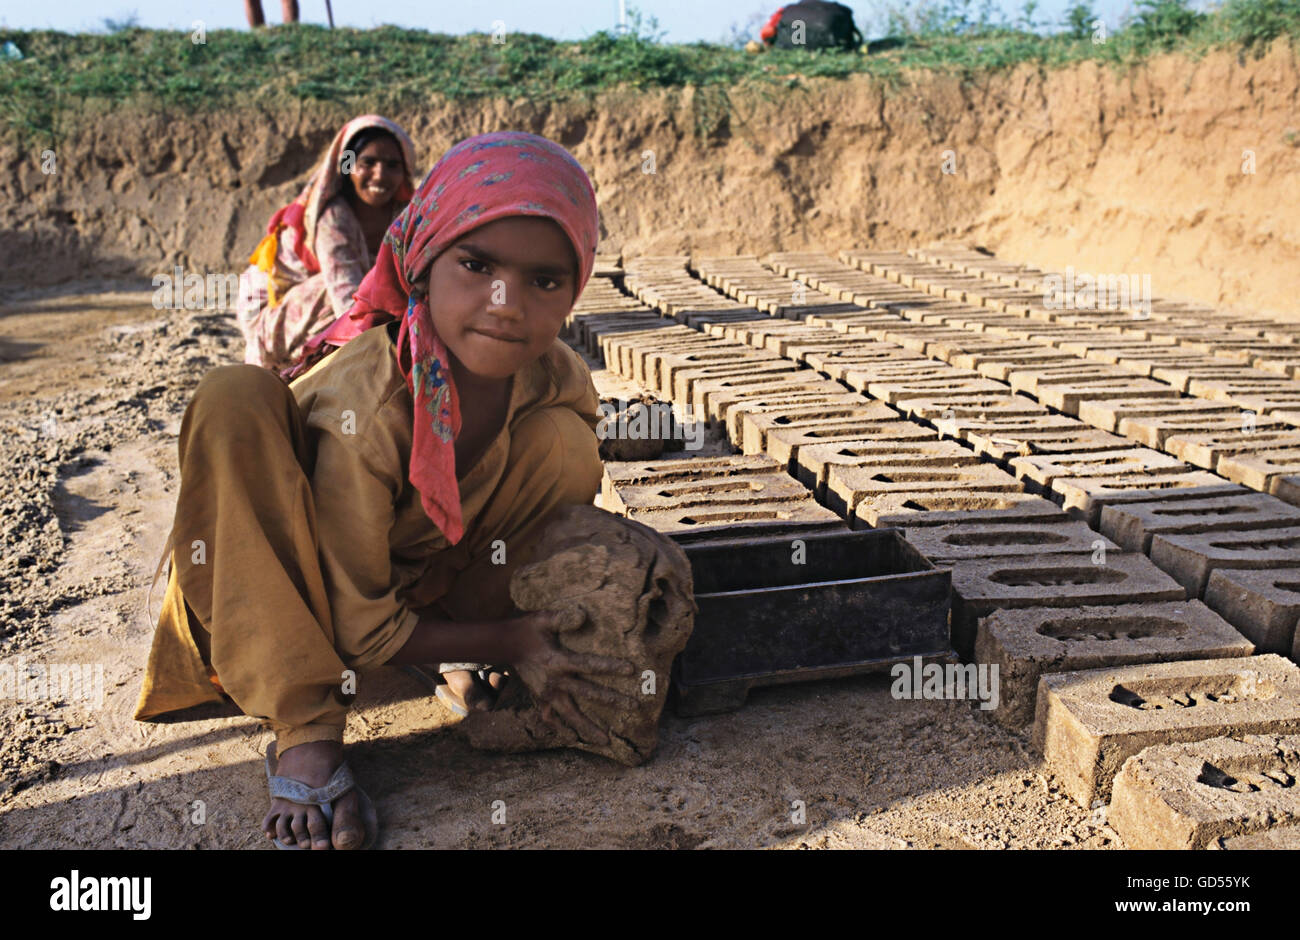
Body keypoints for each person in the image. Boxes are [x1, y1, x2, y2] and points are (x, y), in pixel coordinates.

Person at [135, 131, 635, 850]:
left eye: (544, 281)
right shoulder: (368, 404)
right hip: (278, 598)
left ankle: (445, 647)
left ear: (575, 290)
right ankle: (306, 725)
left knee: (565, 442)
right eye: (477, 264)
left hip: (400, 586)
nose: (505, 302)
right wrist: (514, 638)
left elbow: (569, 507)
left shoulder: (554, 377)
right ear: (422, 267)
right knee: (233, 396)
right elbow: (355, 626)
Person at [236, 115, 417, 376]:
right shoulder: (333, 216)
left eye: (392, 165)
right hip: (271, 320)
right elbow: (349, 302)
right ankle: (302, 369)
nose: (380, 175)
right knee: (362, 294)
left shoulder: (401, 215)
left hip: (329, 307)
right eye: (367, 162)